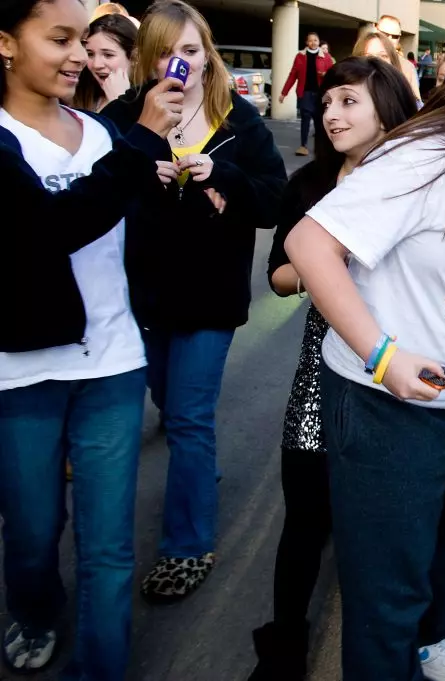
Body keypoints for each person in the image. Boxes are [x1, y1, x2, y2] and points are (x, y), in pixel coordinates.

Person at [283, 10, 445, 681]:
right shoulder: (420, 155)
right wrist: (382, 355)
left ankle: (426, 632)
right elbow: (307, 246)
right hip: (384, 406)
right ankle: (397, 646)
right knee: (385, 592)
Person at [0, 0, 182, 673]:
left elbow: (138, 234)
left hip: (112, 363)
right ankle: (34, 608)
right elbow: (47, 231)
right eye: (59, 38)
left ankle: (101, 665)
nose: (78, 54)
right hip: (21, 374)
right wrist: (139, 142)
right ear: (5, 44)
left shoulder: (102, 135)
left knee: (108, 546)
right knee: (32, 532)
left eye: (84, 39)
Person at [101, 0, 287, 604]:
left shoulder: (241, 121)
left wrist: (222, 178)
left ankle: (187, 546)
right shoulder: (129, 118)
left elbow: (272, 201)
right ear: (146, 60)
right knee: (164, 393)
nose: (178, 64)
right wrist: (141, 173)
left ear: (206, 54)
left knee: (187, 417)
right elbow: (98, 204)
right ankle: (195, 474)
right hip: (145, 297)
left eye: (189, 50)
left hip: (211, 297)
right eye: (165, 51)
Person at [248, 57, 418, 681]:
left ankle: (397, 640)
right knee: (304, 515)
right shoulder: (311, 186)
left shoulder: (413, 182)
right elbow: (278, 276)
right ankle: (286, 643)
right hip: (323, 370)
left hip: (399, 370)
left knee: (382, 522)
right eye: (329, 103)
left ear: (387, 110)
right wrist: (318, 265)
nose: (333, 114)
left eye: (350, 102)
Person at [279, 31, 332, 156]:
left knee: (320, 122)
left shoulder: (326, 56)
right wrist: (284, 93)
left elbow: (333, 74)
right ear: (306, 42)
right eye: (310, 40)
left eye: (315, 40)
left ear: (319, 42)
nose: (313, 43)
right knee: (305, 120)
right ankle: (303, 146)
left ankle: (321, 147)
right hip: (305, 93)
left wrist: (325, 75)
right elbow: (293, 75)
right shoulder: (300, 56)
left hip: (320, 94)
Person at [72, 13, 136, 112]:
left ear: (134, 58)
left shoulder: (150, 102)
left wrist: (119, 103)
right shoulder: (76, 97)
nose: (96, 65)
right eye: (90, 54)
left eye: (108, 55)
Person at [375, 14, 423, 101]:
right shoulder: (360, 61)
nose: (389, 40)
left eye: (395, 36)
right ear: (375, 30)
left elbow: (417, 104)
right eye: (384, 34)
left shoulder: (407, 68)